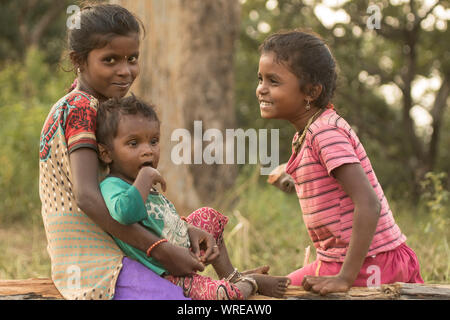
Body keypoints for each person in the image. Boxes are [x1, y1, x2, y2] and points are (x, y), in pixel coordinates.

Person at [39, 3, 205, 300]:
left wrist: (179, 230)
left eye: (132, 58)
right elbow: (87, 198)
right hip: (94, 262)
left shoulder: (104, 110)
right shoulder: (78, 107)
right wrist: (160, 249)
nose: (125, 70)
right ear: (79, 60)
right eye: (110, 60)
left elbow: (125, 196)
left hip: (122, 248)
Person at [256, 29, 424, 295]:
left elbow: (369, 203)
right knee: (272, 289)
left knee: (273, 293)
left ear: (311, 91)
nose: (261, 89)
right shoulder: (309, 132)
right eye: (260, 79)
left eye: (273, 81)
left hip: (373, 262)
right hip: (337, 260)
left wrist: (345, 278)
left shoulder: (324, 133)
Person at [95, 95, 291, 300]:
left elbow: (163, 220)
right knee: (223, 296)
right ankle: (250, 283)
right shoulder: (112, 185)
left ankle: (231, 275)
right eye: (134, 144)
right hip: (168, 274)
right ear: (107, 154)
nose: (148, 151)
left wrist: (189, 228)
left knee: (208, 215)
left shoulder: (140, 180)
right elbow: (124, 214)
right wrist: (145, 177)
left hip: (185, 249)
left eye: (153, 141)